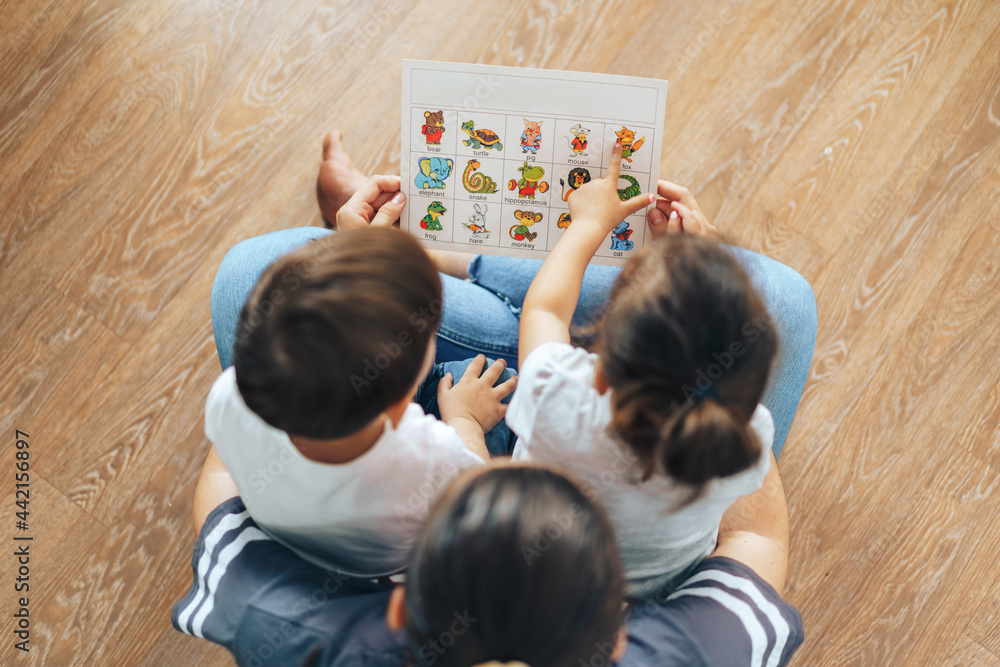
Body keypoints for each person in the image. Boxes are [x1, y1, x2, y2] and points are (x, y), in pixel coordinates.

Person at [175, 452, 802, 665]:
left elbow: (230, 480)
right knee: (784, 303)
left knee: (245, 277)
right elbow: (756, 542)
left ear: (400, 606)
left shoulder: (299, 632)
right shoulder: (688, 654)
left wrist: (292, 371)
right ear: (616, 639)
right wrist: (725, 395)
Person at [508, 142, 778, 597]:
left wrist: (591, 223)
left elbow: (546, 312)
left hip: (538, 570)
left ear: (598, 371)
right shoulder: (748, 440)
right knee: (790, 292)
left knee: (509, 301)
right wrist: (705, 271)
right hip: (645, 594)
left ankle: (457, 262)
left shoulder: (559, 395)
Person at [205, 224, 517, 578]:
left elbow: (221, 467)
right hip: (399, 564)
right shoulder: (429, 455)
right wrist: (465, 420)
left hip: (307, 543)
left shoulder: (231, 396)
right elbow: (477, 488)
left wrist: (355, 252)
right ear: (406, 393)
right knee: (492, 378)